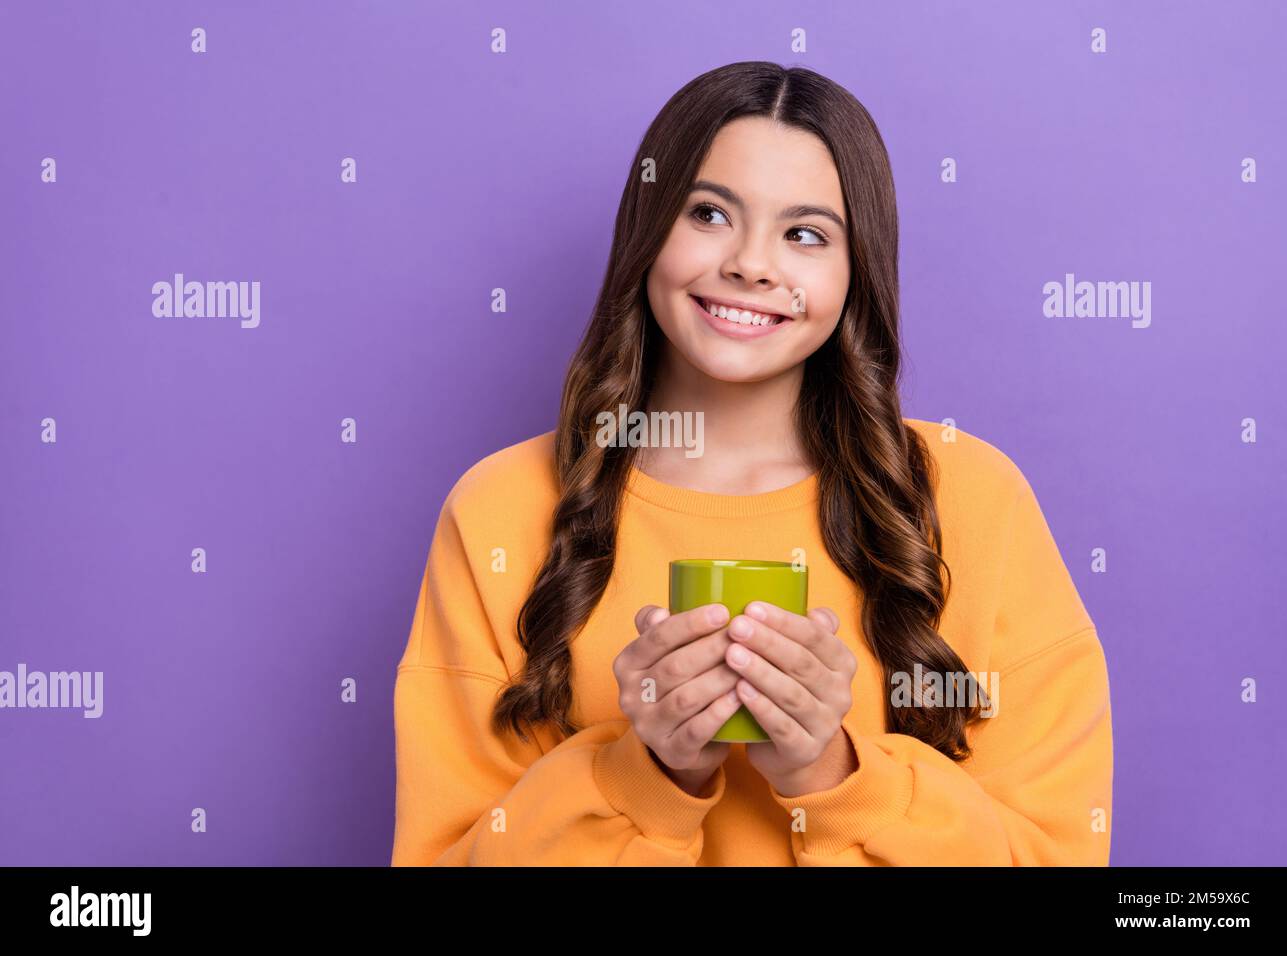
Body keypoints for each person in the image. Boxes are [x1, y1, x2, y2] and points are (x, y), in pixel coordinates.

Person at [391, 61, 1113, 866]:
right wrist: (650, 771)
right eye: (708, 214)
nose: (751, 264)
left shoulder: (976, 500)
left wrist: (831, 772)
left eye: (805, 234)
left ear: (855, 271)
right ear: (647, 229)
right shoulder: (499, 509)